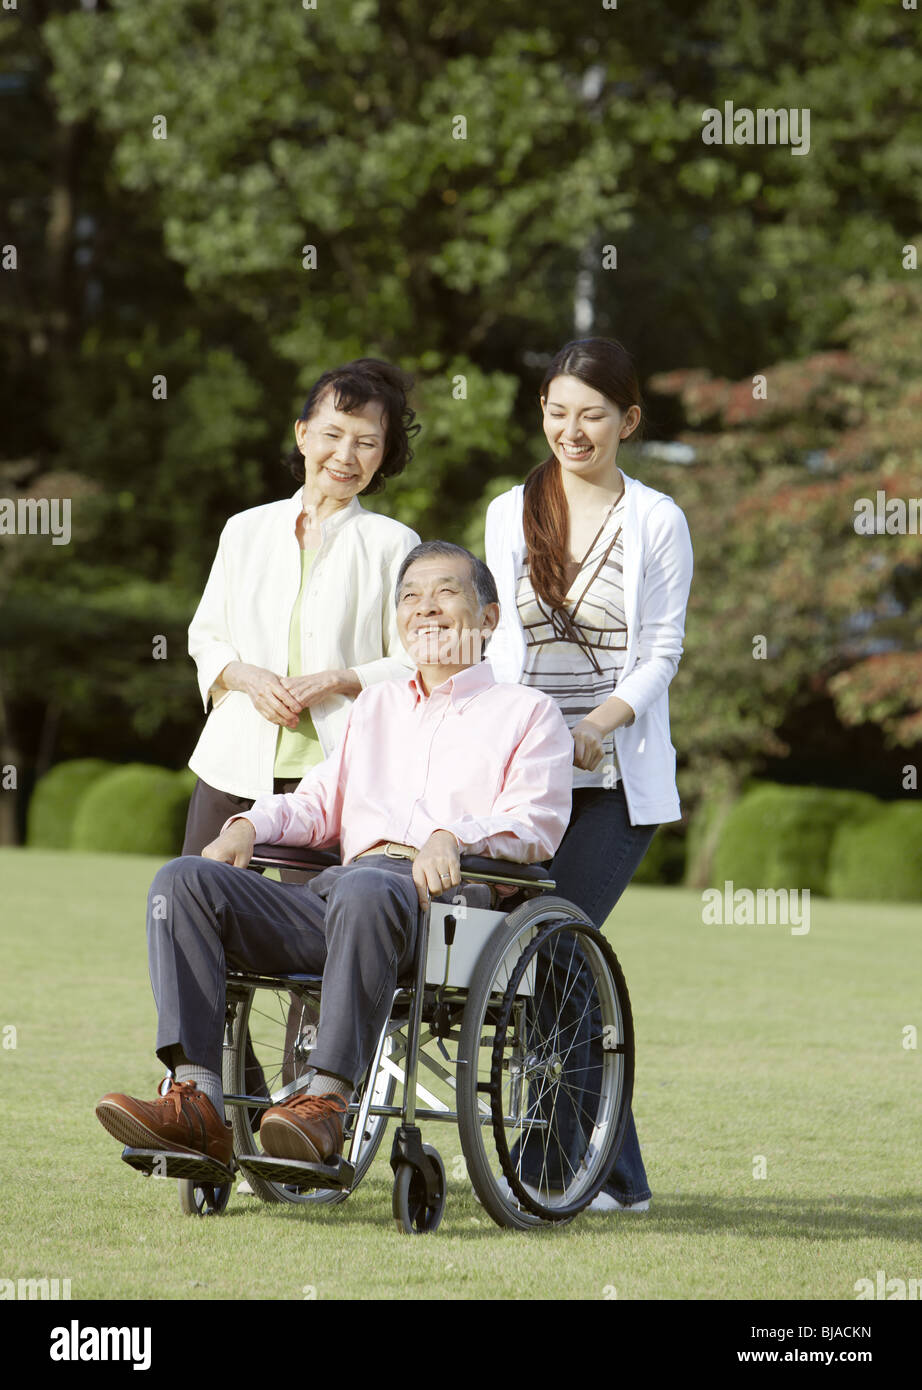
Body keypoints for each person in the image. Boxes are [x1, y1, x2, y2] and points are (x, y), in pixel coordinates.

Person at [95, 543, 573, 1169]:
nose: (425, 608)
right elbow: (318, 804)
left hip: (445, 910)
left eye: (446, 593)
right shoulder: (374, 707)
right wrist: (247, 824)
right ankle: (196, 1101)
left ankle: (324, 1103)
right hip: (345, 898)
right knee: (185, 880)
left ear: (487, 619)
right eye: (410, 597)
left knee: (367, 888)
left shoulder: (528, 713)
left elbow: (535, 822)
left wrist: (456, 836)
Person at [484, 337, 693, 1212]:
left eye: (594, 415)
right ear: (543, 413)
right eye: (559, 412)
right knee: (555, 962)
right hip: (527, 777)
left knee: (551, 947)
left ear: (628, 421)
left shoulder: (657, 520)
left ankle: (553, 1160)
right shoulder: (509, 510)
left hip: (612, 783)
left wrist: (599, 726)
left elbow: (661, 652)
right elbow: (500, 641)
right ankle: (615, 1177)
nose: (575, 431)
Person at [182, 357, 421, 856]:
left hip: (331, 775)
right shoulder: (244, 529)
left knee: (305, 925)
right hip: (233, 760)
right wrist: (246, 677)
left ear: (384, 455)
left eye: (366, 443)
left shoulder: (394, 545)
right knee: (195, 901)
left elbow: (412, 664)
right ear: (303, 435)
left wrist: (335, 680)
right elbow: (206, 637)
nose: (345, 455)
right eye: (332, 435)